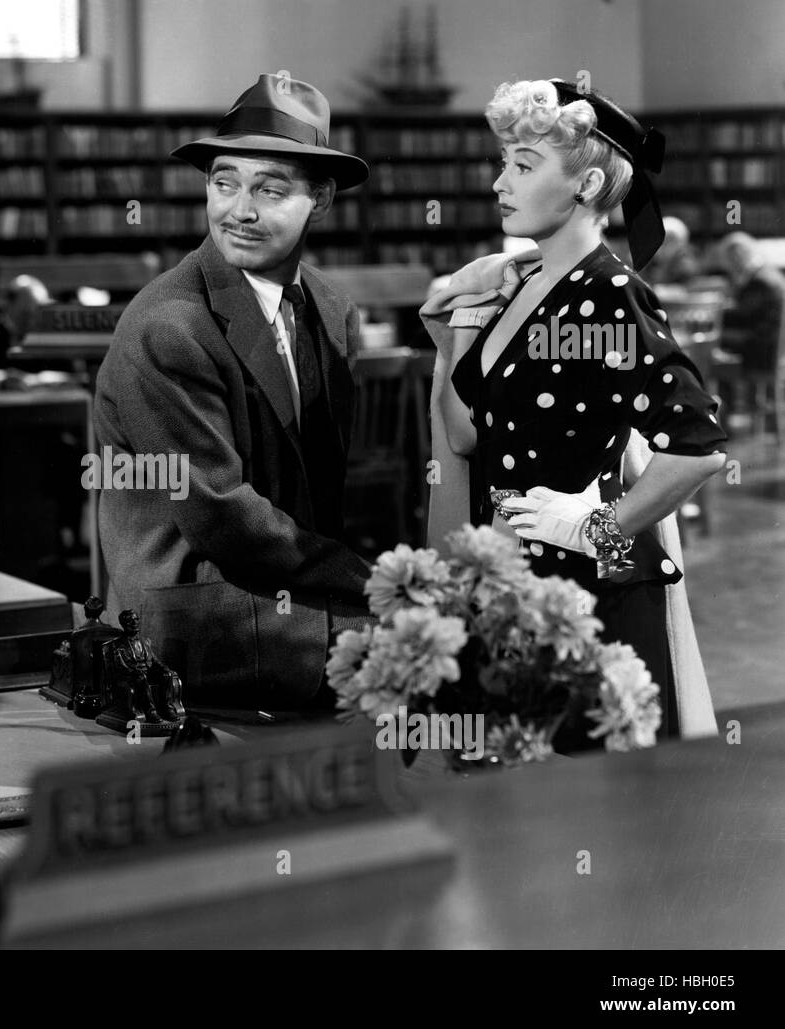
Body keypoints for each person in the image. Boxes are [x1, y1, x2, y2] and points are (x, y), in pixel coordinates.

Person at [425, 78, 727, 748]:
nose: (501, 182)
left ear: (588, 185)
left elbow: (699, 447)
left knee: (596, 823)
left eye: (524, 165)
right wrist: (458, 327)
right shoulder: (525, 286)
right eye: (504, 162)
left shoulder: (611, 293)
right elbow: (463, 432)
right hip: (511, 584)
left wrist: (596, 527)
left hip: (593, 600)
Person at [93, 73, 374, 710]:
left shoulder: (329, 307)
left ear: (321, 198)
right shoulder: (169, 325)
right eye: (224, 184)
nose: (238, 211)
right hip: (196, 611)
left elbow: (320, 489)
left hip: (281, 586)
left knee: (446, 639)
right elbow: (222, 518)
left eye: (269, 190)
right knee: (427, 650)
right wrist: (368, 580)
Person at [718, 231, 785, 376]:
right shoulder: (767, 273)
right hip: (768, 343)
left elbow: (742, 315)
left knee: (710, 341)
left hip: (762, 348)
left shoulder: (760, 281)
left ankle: (719, 392)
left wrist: (715, 313)